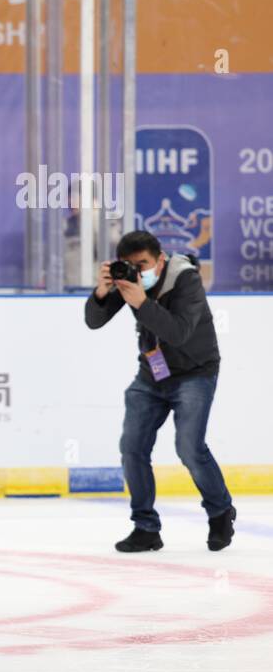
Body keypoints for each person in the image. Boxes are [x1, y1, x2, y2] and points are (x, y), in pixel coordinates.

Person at [85, 230, 235, 553]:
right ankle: (145, 527)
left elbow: (179, 332)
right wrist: (101, 292)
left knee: (189, 448)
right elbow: (94, 322)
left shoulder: (186, 281)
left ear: (160, 259)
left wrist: (140, 302)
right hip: (152, 373)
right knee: (132, 447)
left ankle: (221, 511)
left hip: (195, 371)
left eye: (144, 264)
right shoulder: (131, 281)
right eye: (130, 266)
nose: (138, 272)